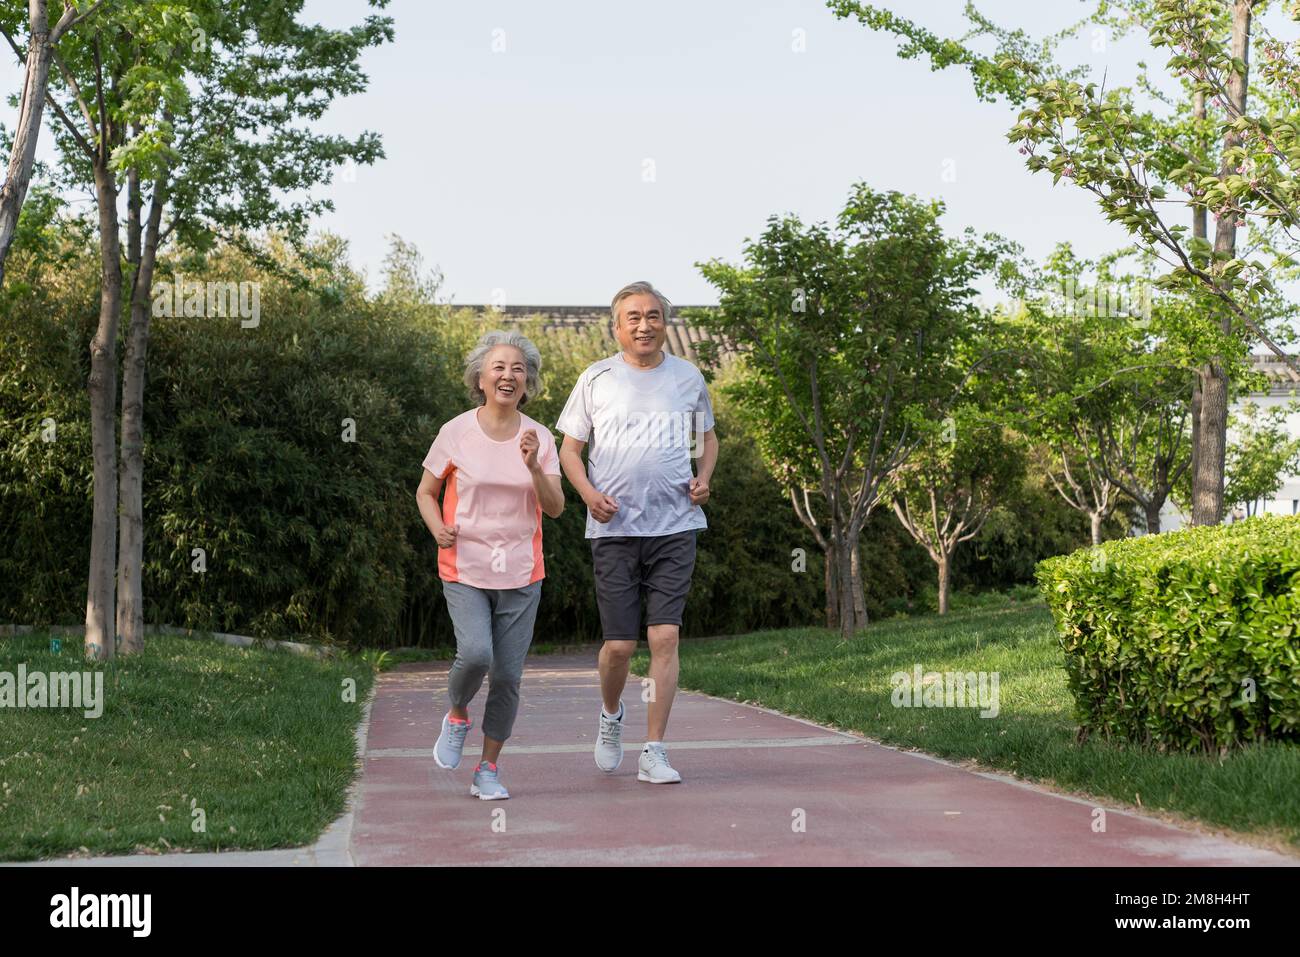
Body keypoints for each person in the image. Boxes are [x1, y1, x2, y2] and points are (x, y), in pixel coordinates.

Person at [556, 281, 718, 784]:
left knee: (665, 636)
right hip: (614, 531)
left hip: (675, 526)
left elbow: (708, 439)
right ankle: (610, 716)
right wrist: (587, 494)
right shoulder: (597, 378)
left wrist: (704, 479)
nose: (644, 324)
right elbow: (569, 451)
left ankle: (654, 750)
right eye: (633, 317)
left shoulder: (687, 377)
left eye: (652, 315)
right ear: (617, 326)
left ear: (663, 323)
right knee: (620, 646)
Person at [416, 330, 564, 800]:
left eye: (518, 369)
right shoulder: (455, 431)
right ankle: (457, 712)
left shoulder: (538, 437)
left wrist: (534, 467)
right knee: (477, 655)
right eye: (499, 367)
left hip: (522, 572)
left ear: (528, 382)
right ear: (480, 378)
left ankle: (488, 769)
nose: (508, 375)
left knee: (507, 676)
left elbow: (556, 507)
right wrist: (437, 526)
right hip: (465, 566)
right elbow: (425, 492)